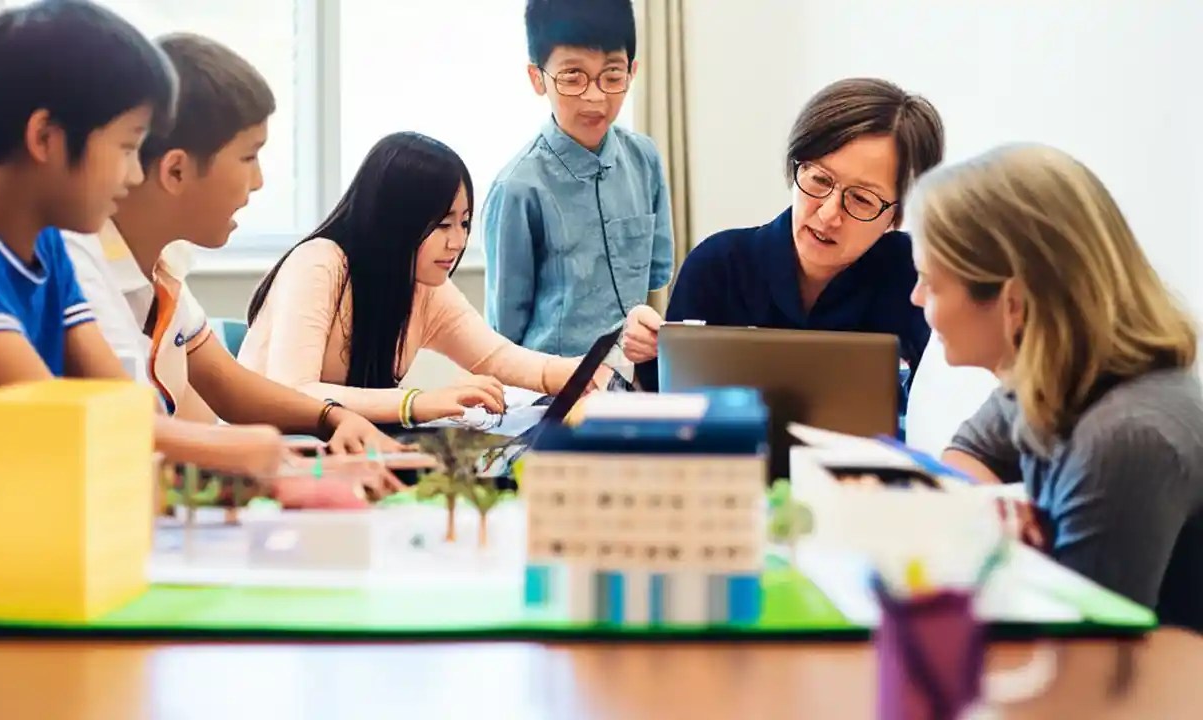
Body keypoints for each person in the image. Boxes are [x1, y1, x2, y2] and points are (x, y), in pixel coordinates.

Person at [0, 0, 290, 591]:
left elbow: (123, 405)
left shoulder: (49, 251)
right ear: (45, 136)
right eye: (125, 148)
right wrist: (229, 447)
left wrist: (238, 451)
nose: (133, 175)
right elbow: (47, 411)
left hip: (22, 577)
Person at [61, 32, 399, 455]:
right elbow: (132, 434)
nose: (258, 182)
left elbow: (225, 384)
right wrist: (264, 458)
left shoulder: (162, 266)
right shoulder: (79, 265)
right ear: (177, 171)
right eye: (249, 156)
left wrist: (331, 416)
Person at [912, 143, 1203, 632]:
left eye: (930, 282)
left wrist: (1011, 549)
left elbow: (1083, 656)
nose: (916, 297)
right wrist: (998, 518)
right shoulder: (1053, 377)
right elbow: (964, 456)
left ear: (1014, 304)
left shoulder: (1125, 439)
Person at [240, 132, 606, 427]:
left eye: (464, 223)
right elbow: (294, 393)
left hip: (346, 455)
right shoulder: (320, 264)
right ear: (395, 220)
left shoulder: (424, 285)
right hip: (271, 455)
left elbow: (497, 357)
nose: (458, 241)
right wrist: (419, 402)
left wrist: (583, 373)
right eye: (443, 224)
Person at [622, 78, 943, 402]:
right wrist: (645, 350)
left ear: (896, 214)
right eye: (819, 180)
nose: (829, 214)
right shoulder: (718, 267)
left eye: (861, 199)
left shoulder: (919, 279)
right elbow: (666, 403)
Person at [483, 0, 673, 357]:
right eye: (573, 76)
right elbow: (504, 334)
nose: (595, 95)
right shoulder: (517, 188)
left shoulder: (644, 160)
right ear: (538, 78)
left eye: (612, 76)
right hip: (551, 393)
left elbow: (656, 278)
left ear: (632, 72)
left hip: (630, 384)